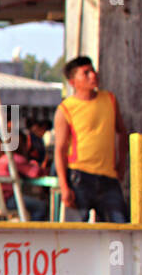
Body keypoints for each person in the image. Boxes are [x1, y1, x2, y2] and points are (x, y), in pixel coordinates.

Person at [54, 57, 128, 223]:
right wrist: (64, 186)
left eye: (92, 70)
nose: (93, 75)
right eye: (85, 73)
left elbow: (122, 132)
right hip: (79, 177)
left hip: (108, 177)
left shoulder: (109, 99)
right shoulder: (66, 108)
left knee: (119, 227)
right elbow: (60, 149)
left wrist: (121, 163)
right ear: (73, 82)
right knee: (75, 233)